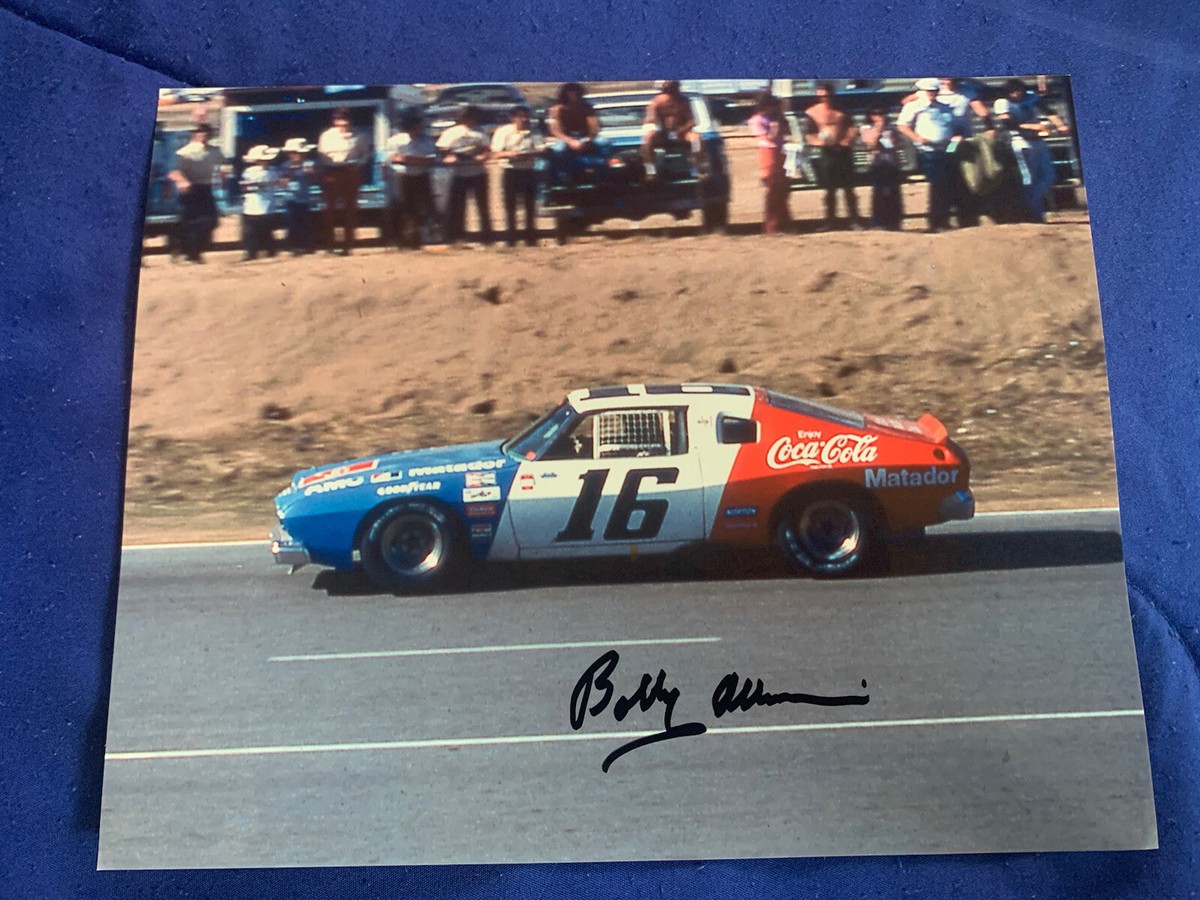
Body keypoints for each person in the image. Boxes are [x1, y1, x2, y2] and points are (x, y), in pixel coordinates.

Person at [994, 78, 1070, 222]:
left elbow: (1048, 111)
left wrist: (1060, 125)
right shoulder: (1002, 103)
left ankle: (1028, 206)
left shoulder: (1030, 97)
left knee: (1049, 176)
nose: (1017, 94)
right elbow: (1008, 123)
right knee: (1029, 178)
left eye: (1019, 91)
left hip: (1038, 140)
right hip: (1020, 141)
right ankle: (1035, 213)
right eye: (1013, 92)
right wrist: (1032, 126)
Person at [896, 78, 968, 232]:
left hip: (948, 149)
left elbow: (954, 127)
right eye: (929, 91)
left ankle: (946, 219)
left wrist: (956, 139)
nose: (932, 94)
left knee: (949, 184)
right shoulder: (914, 107)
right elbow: (902, 125)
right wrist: (917, 138)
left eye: (934, 91)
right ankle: (937, 222)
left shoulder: (945, 107)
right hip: (928, 151)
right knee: (938, 185)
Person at [804, 82, 861, 229]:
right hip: (827, 153)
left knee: (849, 188)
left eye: (827, 96)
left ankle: (854, 220)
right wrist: (819, 142)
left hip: (843, 152)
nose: (824, 99)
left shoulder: (842, 110)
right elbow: (809, 134)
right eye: (821, 96)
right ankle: (830, 221)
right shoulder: (813, 112)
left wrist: (847, 140)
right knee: (829, 189)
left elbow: (853, 127)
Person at [436, 105, 493, 245]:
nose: (471, 120)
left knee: (483, 205)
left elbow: (487, 150)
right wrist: (448, 157)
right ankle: (456, 235)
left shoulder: (480, 132)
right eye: (467, 117)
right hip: (458, 173)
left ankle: (487, 236)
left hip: (478, 172)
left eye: (473, 117)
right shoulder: (451, 132)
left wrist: (483, 157)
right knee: (457, 206)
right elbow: (441, 150)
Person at [169, 122, 224, 262]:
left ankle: (190, 248)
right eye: (200, 132)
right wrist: (182, 181)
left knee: (211, 221)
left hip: (206, 188)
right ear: (195, 135)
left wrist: (225, 170)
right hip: (190, 190)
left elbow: (223, 164)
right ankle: (191, 253)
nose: (204, 135)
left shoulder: (215, 151)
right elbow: (173, 171)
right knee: (190, 223)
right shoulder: (185, 152)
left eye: (206, 133)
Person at [316, 107, 368, 255]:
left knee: (350, 209)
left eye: (345, 119)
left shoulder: (359, 136)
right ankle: (330, 244)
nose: (342, 123)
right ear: (334, 121)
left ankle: (348, 245)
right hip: (331, 173)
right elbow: (321, 155)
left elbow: (365, 154)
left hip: (350, 172)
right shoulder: (326, 136)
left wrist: (358, 164)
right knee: (330, 210)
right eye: (339, 120)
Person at [490, 104, 544, 246]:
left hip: (528, 170)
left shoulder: (534, 132)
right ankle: (511, 237)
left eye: (526, 116)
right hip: (510, 170)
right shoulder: (503, 132)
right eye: (520, 116)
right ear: (513, 118)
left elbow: (541, 149)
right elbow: (495, 152)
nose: (524, 119)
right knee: (510, 205)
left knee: (530, 205)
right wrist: (510, 154)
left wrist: (530, 154)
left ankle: (530, 236)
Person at [385, 110, 438, 249]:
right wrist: (416, 160)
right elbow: (393, 158)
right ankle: (400, 240)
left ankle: (417, 239)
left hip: (421, 177)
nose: (419, 127)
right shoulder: (396, 140)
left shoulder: (426, 140)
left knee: (421, 208)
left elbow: (431, 160)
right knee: (403, 208)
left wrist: (407, 159)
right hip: (403, 177)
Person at [747, 91, 789, 235]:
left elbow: (786, 131)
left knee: (782, 189)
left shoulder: (775, 118)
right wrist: (775, 123)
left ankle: (784, 222)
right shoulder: (757, 120)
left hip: (780, 152)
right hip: (768, 153)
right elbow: (770, 137)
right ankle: (772, 226)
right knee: (772, 190)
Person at [641, 80, 696, 179]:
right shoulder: (657, 102)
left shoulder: (684, 101)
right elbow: (650, 119)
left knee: (696, 139)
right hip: (661, 132)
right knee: (647, 139)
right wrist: (658, 126)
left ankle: (695, 167)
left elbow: (691, 121)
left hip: (681, 132)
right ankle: (650, 169)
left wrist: (681, 130)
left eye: (674, 87)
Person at [860, 107, 904, 230]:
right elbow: (871, 144)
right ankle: (878, 221)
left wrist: (892, 136)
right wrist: (878, 130)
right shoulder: (866, 128)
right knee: (879, 192)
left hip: (891, 163)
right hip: (877, 163)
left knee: (894, 192)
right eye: (876, 114)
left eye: (881, 113)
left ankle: (894, 221)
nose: (880, 116)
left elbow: (897, 143)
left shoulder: (891, 128)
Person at [277, 138, 318, 254]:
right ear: (289, 154)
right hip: (290, 199)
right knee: (291, 223)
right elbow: (280, 184)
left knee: (305, 223)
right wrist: (289, 173)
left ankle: (306, 245)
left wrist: (310, 173)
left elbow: (314, 181)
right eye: (294, 153)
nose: (297, 155)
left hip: (304, 199)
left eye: (301, 153)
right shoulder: (284, 166)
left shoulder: (309, 164)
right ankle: (293, 246)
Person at [239, 145, 279, 261]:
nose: (264, 162)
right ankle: (251, 252)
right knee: (251, 232)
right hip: (252, 206)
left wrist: (258, 186)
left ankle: (270, 250)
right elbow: (245, 186)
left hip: (266, 206)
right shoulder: (249, 172)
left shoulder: (272, 171)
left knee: (266, 231)